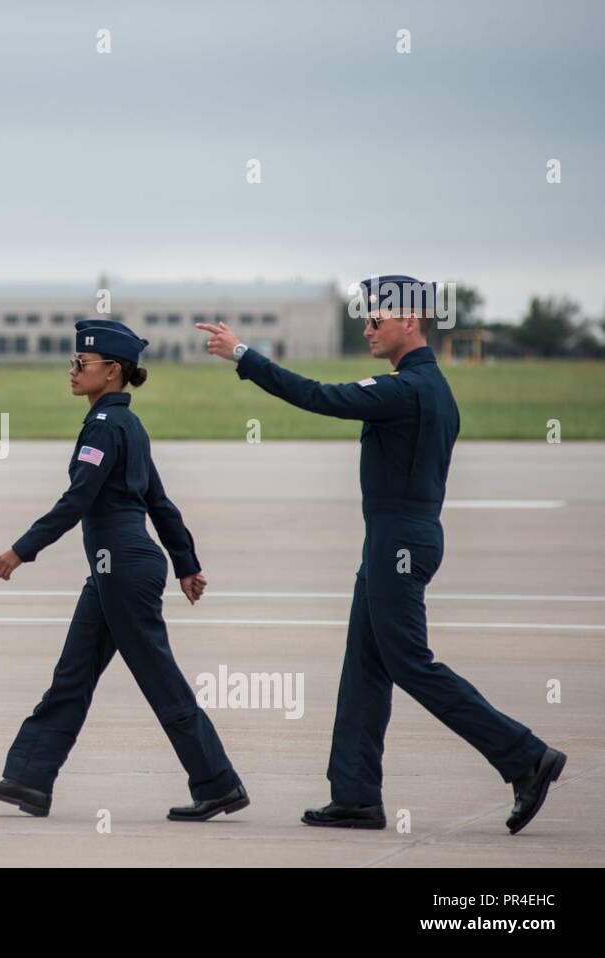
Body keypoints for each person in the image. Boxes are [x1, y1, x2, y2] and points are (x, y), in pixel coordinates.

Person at [196, 275, 564, 834]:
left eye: (376, 319)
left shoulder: (407, 389)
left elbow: (320, 396)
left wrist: (244, 356)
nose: (367, 328)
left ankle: (525, 757)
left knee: (409, 664)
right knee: (365, 668)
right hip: (395, 540)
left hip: (398, 543)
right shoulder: (428, 386)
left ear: (410, 322)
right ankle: (355, 795)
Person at [0, 319, 248, 821]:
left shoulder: (106, 426)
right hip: (114, 570)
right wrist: (185, 564)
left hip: (122, 568)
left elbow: (78, 499)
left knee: (160, 680)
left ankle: (218, 784)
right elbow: (159, 502)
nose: (73, 371)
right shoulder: (127, 425)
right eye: (73, 362)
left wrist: (22, 550)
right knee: (72, 677)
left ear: (113, 371)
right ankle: (31, 779)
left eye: (82, 364)